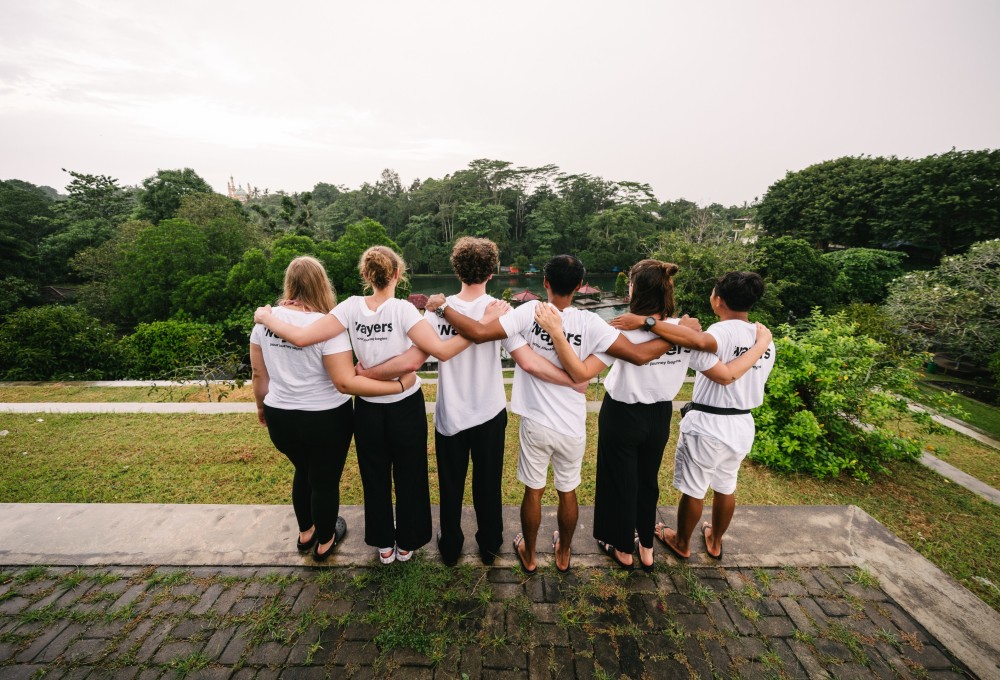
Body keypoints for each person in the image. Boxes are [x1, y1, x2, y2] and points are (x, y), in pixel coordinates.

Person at [426, 254, 680, 575]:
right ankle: (563, 554)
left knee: (534, 490)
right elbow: (640, 355)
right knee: (568, 490)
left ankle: (530, 554)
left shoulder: (528, 312)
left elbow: (478, 333)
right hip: (571, 425)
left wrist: (442, 307)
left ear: (545, 283)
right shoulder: (591, 324)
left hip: (535, 421)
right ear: (577, 286)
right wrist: (669, 327)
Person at [360, 237, 586, 567]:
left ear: (457, 269)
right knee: (487, 484)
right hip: (489, 412)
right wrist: (573, 379)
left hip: (451, 412)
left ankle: (450, 546)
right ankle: (490, 543)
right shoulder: (502, 311)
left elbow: (414, 357)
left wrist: (368, 372)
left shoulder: (436, 311)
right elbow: (529, 362)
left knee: (451, 486)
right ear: (492, 273)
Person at [254, 246, 488, 564]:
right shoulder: (405, 311)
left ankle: (384, 545)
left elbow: (300, 337)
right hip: (404, 404)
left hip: (367, 408)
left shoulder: (349, 308)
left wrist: (266, 316)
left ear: (365, 275)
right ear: (397, 274)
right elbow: (442, 352)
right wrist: (481, 331)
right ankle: (407, 543)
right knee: (410, 474)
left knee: (374, 475)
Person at [534, 261, 772, 571]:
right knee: (648, 481)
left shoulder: (620, 328)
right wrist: (759, 343)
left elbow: (597, 365)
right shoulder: (684, 333)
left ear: (635, 289)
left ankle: (621, 548)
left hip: (621, 413)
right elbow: (721, 371)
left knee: (618, 481)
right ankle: (646, 546)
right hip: (659, 416)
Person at [249, 256, 418, 562]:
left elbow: (259, 374)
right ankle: (325, 539)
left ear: (289, 283)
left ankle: (305, 532)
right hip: (325, 417)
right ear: (322, 284)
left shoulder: (264, 321)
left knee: (303, 470)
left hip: (280, 415)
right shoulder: (328, 326)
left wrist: (261, 405)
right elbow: (345, 382)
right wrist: (399, 386)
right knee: (323, 479)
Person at [612, 271, 776, 561]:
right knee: (726, 485)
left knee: (695, 488)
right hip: (742, 422)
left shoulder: (720, 333)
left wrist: (647, 322)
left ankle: (682, 541)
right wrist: (761, 344)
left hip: (710, 421)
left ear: (717, 299)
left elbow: (697, 344)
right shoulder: (764, 338)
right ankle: (715, 540)